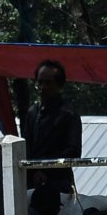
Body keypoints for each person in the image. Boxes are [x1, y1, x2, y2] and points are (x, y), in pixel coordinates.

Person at [21, 58, 81, 193]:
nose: (43, 87)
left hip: (58, 184)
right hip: (31, 183)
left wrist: (45, 169)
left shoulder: (69, 114)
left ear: (60, 85)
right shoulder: (32, 112)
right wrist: (35, 171)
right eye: (40, 82)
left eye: (48, 83)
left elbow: (73, 151)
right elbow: (25, 147)